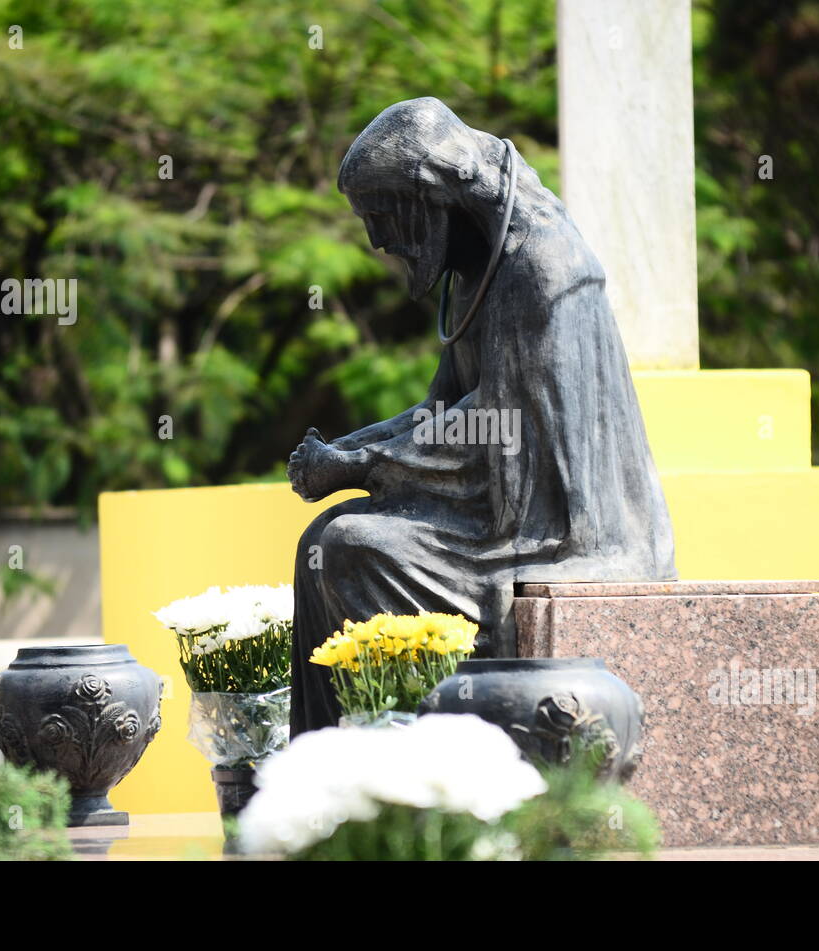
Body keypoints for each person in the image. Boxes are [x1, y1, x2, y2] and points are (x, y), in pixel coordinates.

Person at [287, 98, 675, 735]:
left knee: (353, 547)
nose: (378, 240)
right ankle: (330, 772)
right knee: (320, 548)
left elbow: (505, 424)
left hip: (561, 530)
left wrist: (364, 466)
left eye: (381, 217)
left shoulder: (543, 267)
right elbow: (443, 407)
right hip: (501, 506)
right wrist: (348, 450)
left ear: (430, 196)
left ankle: (435, 763)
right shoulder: (477, 265)